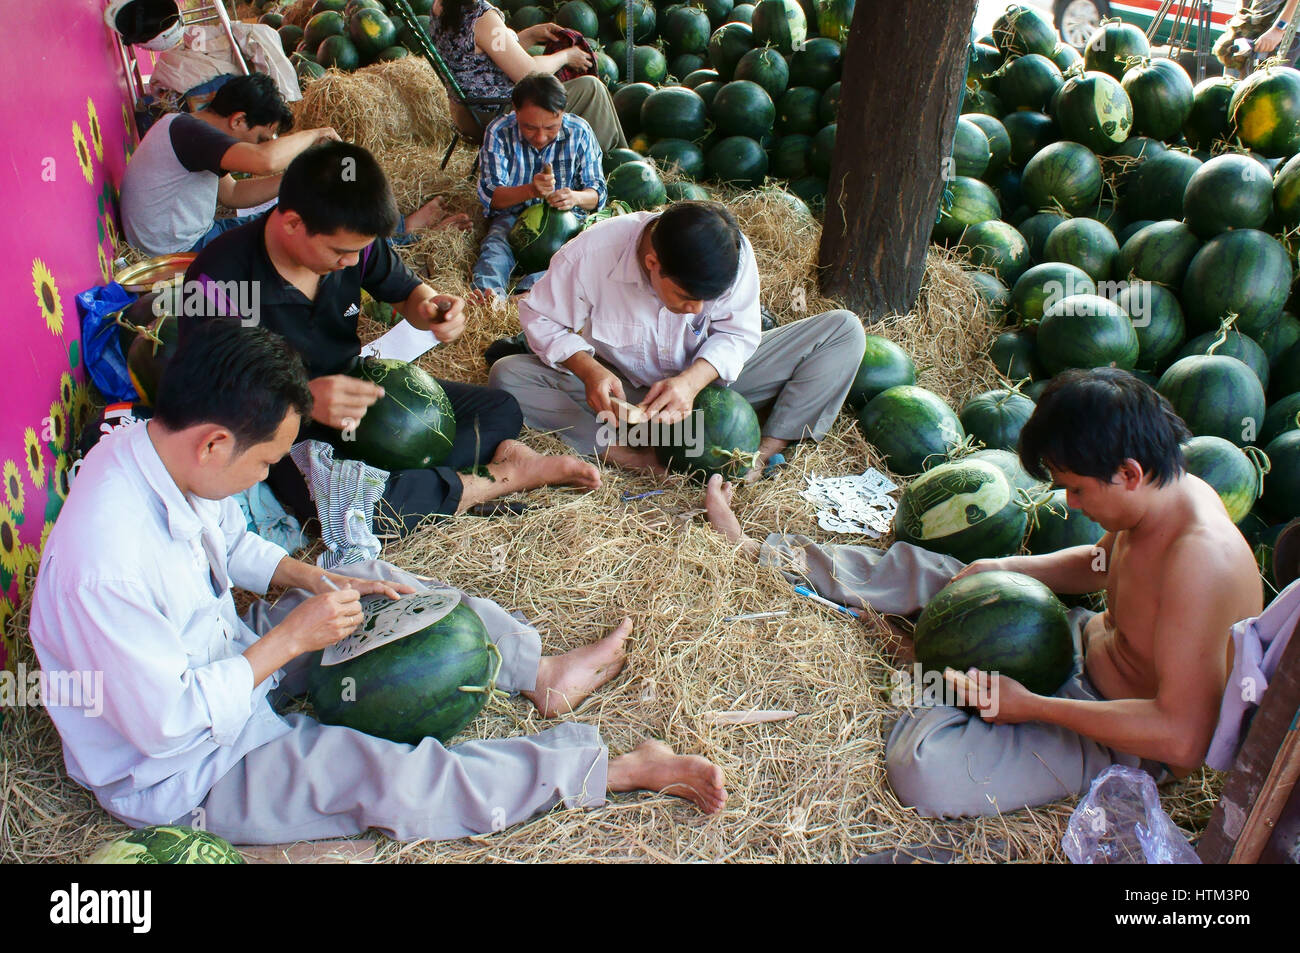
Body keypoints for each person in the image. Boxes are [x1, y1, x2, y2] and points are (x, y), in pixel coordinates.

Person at [28, 320, 726, 844]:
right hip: (187, 769)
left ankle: (537, 670)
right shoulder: (106, 570)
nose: (258, 478)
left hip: (225, 659)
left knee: (372, 581)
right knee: (384, 776)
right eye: (265, 460)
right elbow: (164, 724)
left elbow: (232, 539)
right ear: (214, 443)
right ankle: (610, 770)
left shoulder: (153, 445)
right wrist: (288, 640)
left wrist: (310, 575)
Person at [701, 368, 1264, 818]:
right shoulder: (1157, 494)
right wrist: (998, 565)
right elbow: (1100, 563)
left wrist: (1035, 707)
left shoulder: (1201, 562)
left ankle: (933, 673)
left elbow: (1183, 739)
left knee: (922, 771)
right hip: (1069, 637)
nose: (1069, 505)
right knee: (936, 572)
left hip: (1111, 728)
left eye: (1075, 489)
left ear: (1130, 473)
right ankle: (765, 551)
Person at [180, 140, 600, 529]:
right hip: (284, 426)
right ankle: (495, 479)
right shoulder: (221, 278)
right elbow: (214, 394)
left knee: (500, 410)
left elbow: (407, 293)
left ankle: (410, 486)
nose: (349, 262)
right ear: (292, 222)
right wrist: (302, 398)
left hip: (359, 393)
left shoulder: (356, 243)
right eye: (339, 252)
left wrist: (434, 309)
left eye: (356, 252)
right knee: (345, 515)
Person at [488, 201, 867, 478]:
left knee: (843, 331)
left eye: (707, 301)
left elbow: (738, 332)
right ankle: (634, 456)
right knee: (509, 375)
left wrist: (690, 382)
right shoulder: (591, 255)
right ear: (653, 264)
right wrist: (587, 370)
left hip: (717, 388)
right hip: (632, 399)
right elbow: (539, 316)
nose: (697, 309)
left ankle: (761, 453)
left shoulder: (730, 253)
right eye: (687, 298)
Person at [120, 72, 465, 257]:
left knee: (303, 208)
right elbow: (261, 161)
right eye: (260, 136)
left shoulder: (188, 129)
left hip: (183, 240)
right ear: (238, 121)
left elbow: (235, 194)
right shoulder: (190, 131)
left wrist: (298, 179)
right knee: (313, 234)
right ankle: (403, 236)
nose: (263, 145)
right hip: (181, 253)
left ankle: (397, 228)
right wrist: (315, 135)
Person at [470, 72, 607, 303]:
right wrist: (530, 191)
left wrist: (574, 197)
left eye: (551, 128)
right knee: (495, 249)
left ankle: (530, 293)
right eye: (530, 127)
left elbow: (597, 193)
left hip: (565, 222)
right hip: (514, 217)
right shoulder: (499, 131)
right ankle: (489, 298)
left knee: (577, 258)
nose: (541, 137)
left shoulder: (580, 131)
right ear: (515, 109)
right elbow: (491, 196)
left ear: (563, 112)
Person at [429, 0, 627, 152]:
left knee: (589, 90)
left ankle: (622, 155)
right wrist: (566, 56)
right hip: (494, 111)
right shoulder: (482, 17)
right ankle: (614, 164)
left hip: (467, 114)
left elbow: (487, 54)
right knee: (592, 89)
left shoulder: (443, 6)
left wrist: (530, 35)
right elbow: (529, 73)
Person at [1215, 0, 1300, 73]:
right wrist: (1242, 14)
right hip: (1253, 17)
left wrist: (1278, 30)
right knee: (1234, 79)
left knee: (1268, 81)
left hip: (1286, 27)